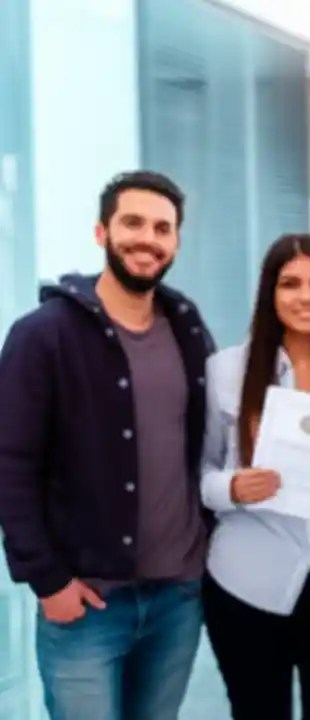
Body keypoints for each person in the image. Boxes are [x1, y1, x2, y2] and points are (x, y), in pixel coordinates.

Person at [0, 171, 213, 720]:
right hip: (86, 605)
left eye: (162, 228)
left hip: (177, 599)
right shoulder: (42, 335)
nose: (148, 238)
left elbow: (212, 442)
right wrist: (46, 580)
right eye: (133, 223)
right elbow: (10, 465)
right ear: (102, 232)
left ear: (176, 242)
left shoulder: (188, 328)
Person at [200, 234, 310, 719]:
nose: (306, 297)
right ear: (270, 293)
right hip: (247, 586)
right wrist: (233, 488)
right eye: (290, 284)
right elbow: (200, 474)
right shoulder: (225, 371)